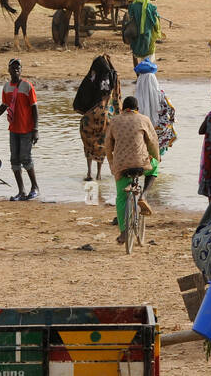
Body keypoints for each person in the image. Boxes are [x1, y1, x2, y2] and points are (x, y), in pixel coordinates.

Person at [105, 95, 160, 244]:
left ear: (123, 109)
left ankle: (123, 233)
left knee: (121, 198)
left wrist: (111, 163)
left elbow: (108, 146)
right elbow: (153, 142)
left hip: (121, 165)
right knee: (154, 168)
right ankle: (144, 195)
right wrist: (156, 157)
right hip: (140, 163)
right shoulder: (144, 119)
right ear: (137, 109)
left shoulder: (114, 121)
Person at [0, 59, 39, 200]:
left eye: (18, 68)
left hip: (26, 129)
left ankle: (35, 187)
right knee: (14, 160)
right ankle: (21, 191)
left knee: (26, 159)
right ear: (8, 70)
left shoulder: (27, 86)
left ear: (21, 70)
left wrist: (36, 129)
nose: (15, 70)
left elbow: (35, 108)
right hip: (13, 129)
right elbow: (4, 106)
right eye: (13, 68)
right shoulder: (6, 87)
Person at [133, 58, 175, 212]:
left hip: (138, 138)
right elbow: (171, 114)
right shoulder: (161, 96)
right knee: (153, 166)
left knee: (136, 163)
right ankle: (145, 195)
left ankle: (134, 190)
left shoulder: (134, 98)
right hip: (156, 137)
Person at [74, 54, 120, 181]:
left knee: (88, 143)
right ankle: (99, 174)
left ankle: (89, 173)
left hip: (89, 117)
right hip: (104, 118)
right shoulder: (110, 78)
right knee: (102, 145)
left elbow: (82, 95)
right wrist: (110, 62)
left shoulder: (91, 79)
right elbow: (116, 75)